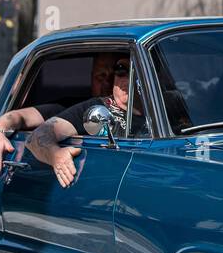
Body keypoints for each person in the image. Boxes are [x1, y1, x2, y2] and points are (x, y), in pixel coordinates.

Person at [0, 53, 116, 179]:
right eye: (101, 76)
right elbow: (18, 117)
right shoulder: (72, 107)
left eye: (115, 76)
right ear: (91, 77)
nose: (107, 83)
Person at [27, 55, 143, 188]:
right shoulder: (98, 107)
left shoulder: (168, 106)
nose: (126, 77)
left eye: (134, 69)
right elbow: (36, 137)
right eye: (120, 69)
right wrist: (56, 155)